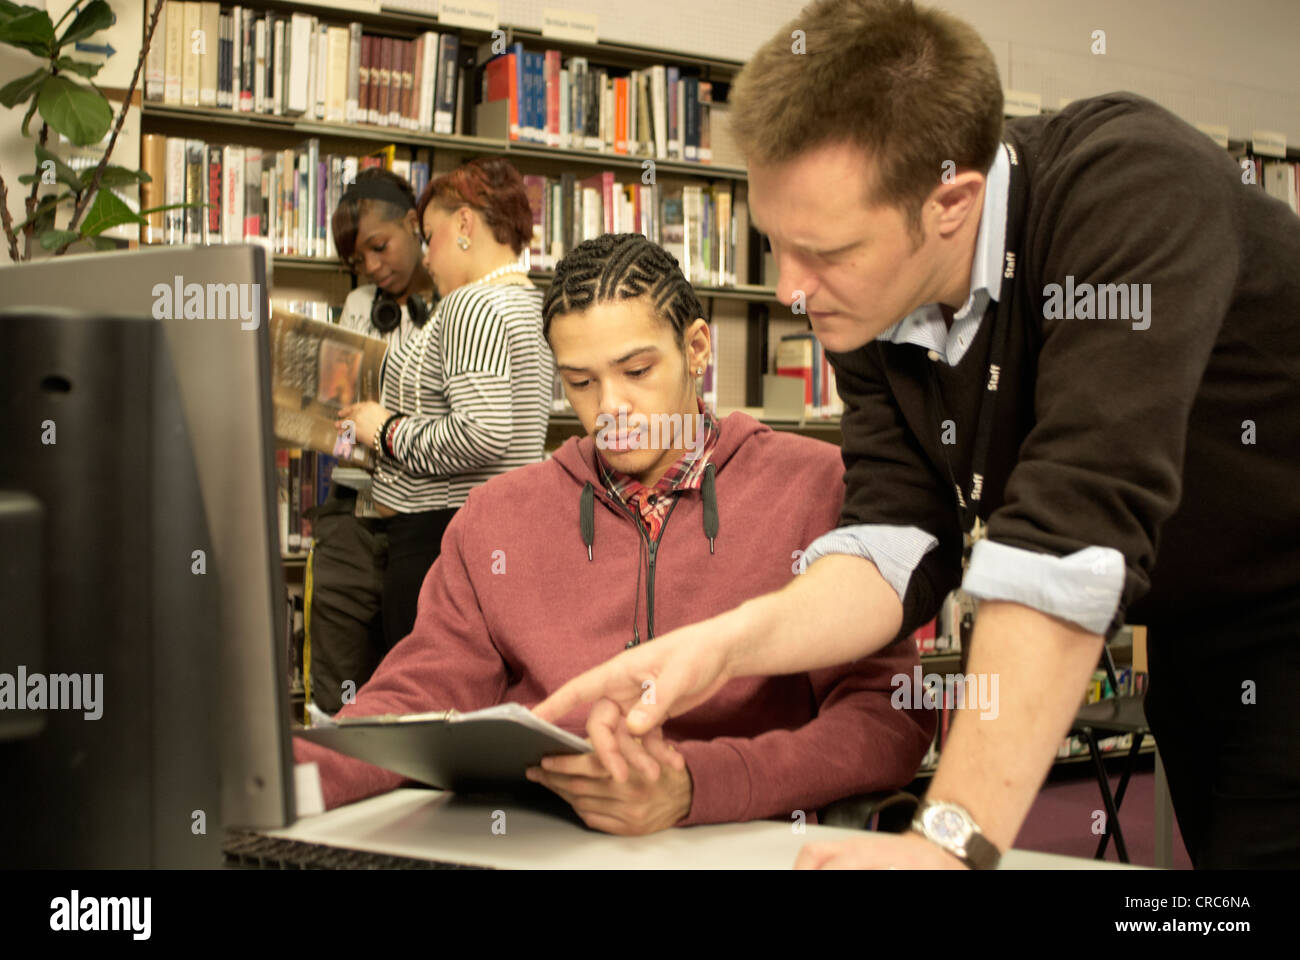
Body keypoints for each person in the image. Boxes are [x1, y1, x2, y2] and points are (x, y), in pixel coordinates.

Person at [535, 0, 1300, 869]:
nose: (793, 289)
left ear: (951, 203)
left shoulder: (1133, 190)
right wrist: (721, 645)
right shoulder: (875, 301)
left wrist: (946, 840)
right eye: (776, 244)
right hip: (1205, 633)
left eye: (826, 252)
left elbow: (1075, 531)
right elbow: (895, 541)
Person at [292, 233, 934, 835]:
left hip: (745, 840)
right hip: (548, 843)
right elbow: (415, 696)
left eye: (636, 370)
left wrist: (697, 787)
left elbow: (888, 717)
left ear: (698, 348)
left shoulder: (821, 487)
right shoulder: (497, 516)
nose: (611, 408)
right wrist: (285, 777)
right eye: (581, 382)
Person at [334, 156, 552, 655]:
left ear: (466, 224)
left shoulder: (471, 305)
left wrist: (383, 429)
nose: (427, 258)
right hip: (497, 532)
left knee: (422, 704)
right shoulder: (529, 301)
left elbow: (482, 433)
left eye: (430, 237)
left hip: (440, 539)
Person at [305, 168, 434, 716]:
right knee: (336, 694)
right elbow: (338, 426)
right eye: (361, 261)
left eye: (381, 248)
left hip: (425, 523)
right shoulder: (361, 304)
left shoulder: (463, 310)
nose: (375, 268)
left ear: (414, 223)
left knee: (417, 691)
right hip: (352, 516)